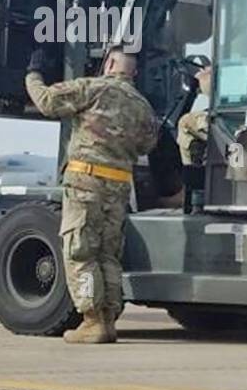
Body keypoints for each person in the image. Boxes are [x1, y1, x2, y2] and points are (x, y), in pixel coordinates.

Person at [26, 45, 158, 344]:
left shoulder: (92, 87)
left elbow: (47, 102)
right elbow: (147, 145)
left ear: (109, 63)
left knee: (80, 251)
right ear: (133, 73)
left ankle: (91, 318)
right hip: (120, 186)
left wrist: (33, 74)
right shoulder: (142, 105)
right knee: (108, 255)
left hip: (87, 181)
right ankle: (108, 319)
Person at [176, 65, 212, 167]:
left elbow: (212, 91)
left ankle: (191, 169)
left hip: (224, 122)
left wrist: (204, 78)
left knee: (185, 123)